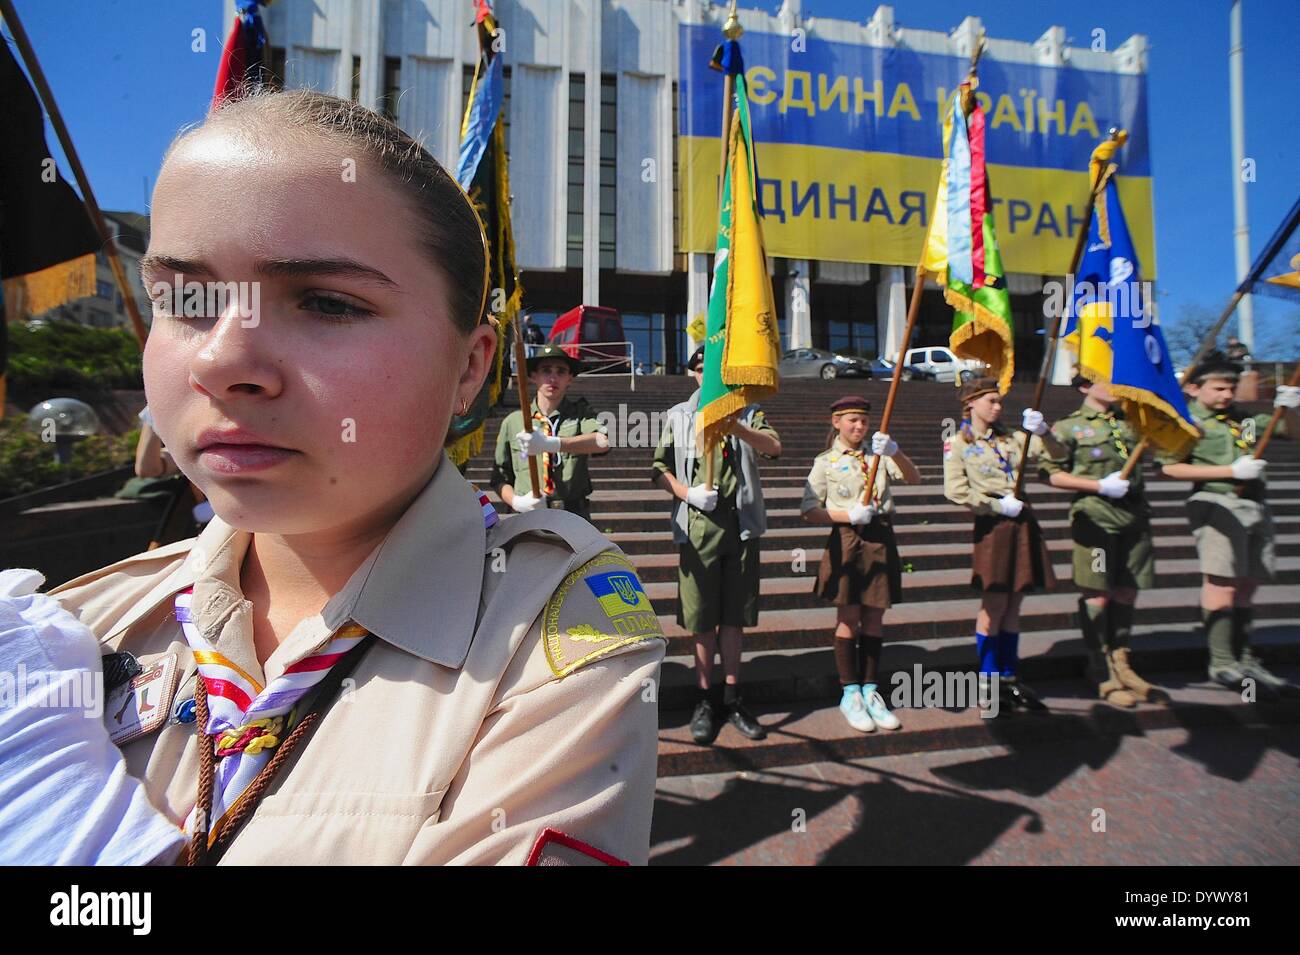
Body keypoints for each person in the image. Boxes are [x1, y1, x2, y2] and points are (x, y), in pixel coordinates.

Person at [35, 89, 664, 866]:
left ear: (469, 369)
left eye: (327, 304)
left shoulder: (551, 635)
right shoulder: (68, 628)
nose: (221, 360)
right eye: (187, 300)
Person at [651, 345, 781, 744]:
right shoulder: (678, 415)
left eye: (715, 371)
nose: (707, 376)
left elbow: (773, 447)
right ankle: (705, 699)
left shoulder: (749, 411)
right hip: (699, 527)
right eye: (700, 370)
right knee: (702, 620)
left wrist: (735, 425)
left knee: (734, 618)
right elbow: (659, 468)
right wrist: (687, 493)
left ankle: (732, 696)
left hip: (741, 526)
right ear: (693, 374)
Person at [1157, 355, 1299, 696]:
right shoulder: (1187, 422)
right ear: (1194, 389)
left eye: (1232, 388)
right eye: (1219, 388)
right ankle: (1222, 661)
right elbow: (1169, 467)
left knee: (1248, 583)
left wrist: (1290, 409)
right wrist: (1230, 472)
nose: (1227, 394)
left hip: (1255, 503)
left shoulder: (1243, 418)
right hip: (1217, 501)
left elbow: (1291, 433)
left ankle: (1244, 656)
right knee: (1222, 582)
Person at [1039, 377, 1165, 708]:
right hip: (1096, 519)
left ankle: (1123, 663)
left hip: (1134, 517)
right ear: (1084, 386)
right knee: (1097, 592)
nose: (1114, 386)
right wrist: (1098, 486)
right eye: (1104, 380)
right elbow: (1050, 473)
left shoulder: (1133, 422)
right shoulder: (1068, 427)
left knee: (1126, 590)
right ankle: (1100, 667)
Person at [943, 378, 1066, 713]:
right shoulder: (958, 443)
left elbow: (1059, 455)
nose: (998, 407)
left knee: (1015, 603)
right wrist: (996, 505)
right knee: (994, 603)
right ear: (971, 403)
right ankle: (988, 682)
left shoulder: (1014, 438)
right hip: (994, 524)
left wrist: (1044, 432)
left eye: (1000, 401)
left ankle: (1010, 677)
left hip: (1023, 520)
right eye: (991, 401)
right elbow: (955, 491)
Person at [801, 396, 920, 732]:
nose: (859, 426)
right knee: (848, 617)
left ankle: (870, 689)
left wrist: (895, 451)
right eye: (852, 420)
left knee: (874, 617)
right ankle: (850, 692)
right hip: (847, 538)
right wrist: (848, 515)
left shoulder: (879, 455)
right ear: (836, 422)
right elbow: (809, 509)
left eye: (864, 421)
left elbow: (914, 478)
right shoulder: (826, 462)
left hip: (880, 537)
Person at [491, 343, 609, 521]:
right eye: (546, 370)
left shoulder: (581, 414)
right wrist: (516, 501)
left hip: (573, 516)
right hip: (527, 516)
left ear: (570, 378)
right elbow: (499, 478)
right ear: (533, 376)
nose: (553, 378)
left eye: (561, 371)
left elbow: (603, 442)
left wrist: (553, 444)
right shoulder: (513, 422)